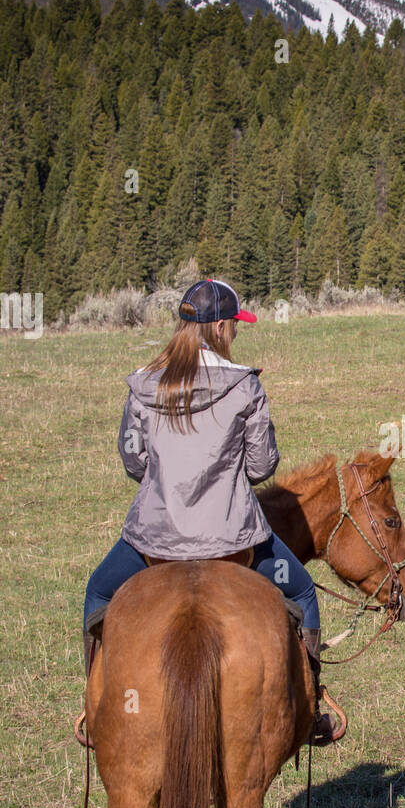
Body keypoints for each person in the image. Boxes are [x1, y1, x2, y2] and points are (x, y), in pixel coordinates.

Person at [81, 277, 342, 744]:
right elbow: (262, 466)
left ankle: (98, 712)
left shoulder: (142, 384)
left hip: (151, 543)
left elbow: (133, 462)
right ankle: (312, 711)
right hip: (235, 542)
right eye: (235, 326)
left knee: (98, 595)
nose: (237, 333)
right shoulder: (245, 386)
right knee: (302, 595)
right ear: (220, 326)